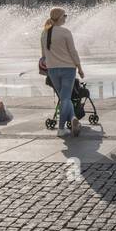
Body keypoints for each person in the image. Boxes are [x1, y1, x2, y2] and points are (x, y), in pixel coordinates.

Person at [40, 7, 84, 137]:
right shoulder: (65, 32)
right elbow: (73, 51)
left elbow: (43, 55)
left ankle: (72, 118)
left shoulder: (44, 33)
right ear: (60, 17)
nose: (66, 18)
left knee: (65, 98)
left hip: (52, 70)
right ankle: (61, 128)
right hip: (68, 69)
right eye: (65, 16)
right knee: (65, 98)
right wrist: (79, 67)